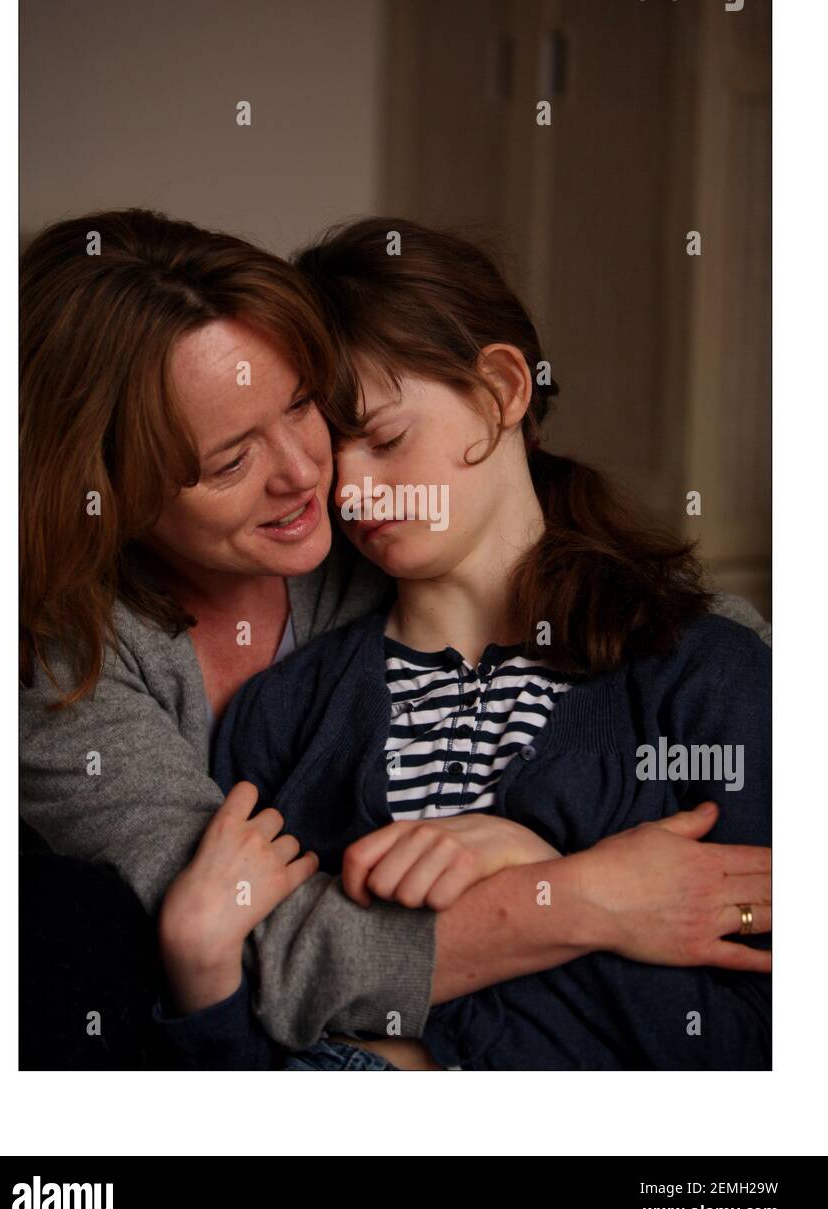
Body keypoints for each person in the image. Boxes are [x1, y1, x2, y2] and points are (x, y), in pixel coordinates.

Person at [155, 217, 771, 1071]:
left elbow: (761, 1050)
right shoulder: (281, 717)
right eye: (336, 453)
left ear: (501, 390)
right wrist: (576, 901)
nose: (353, 492)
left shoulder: (709, 678)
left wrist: (533, 869)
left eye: (387, 439)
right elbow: (236, 1050)